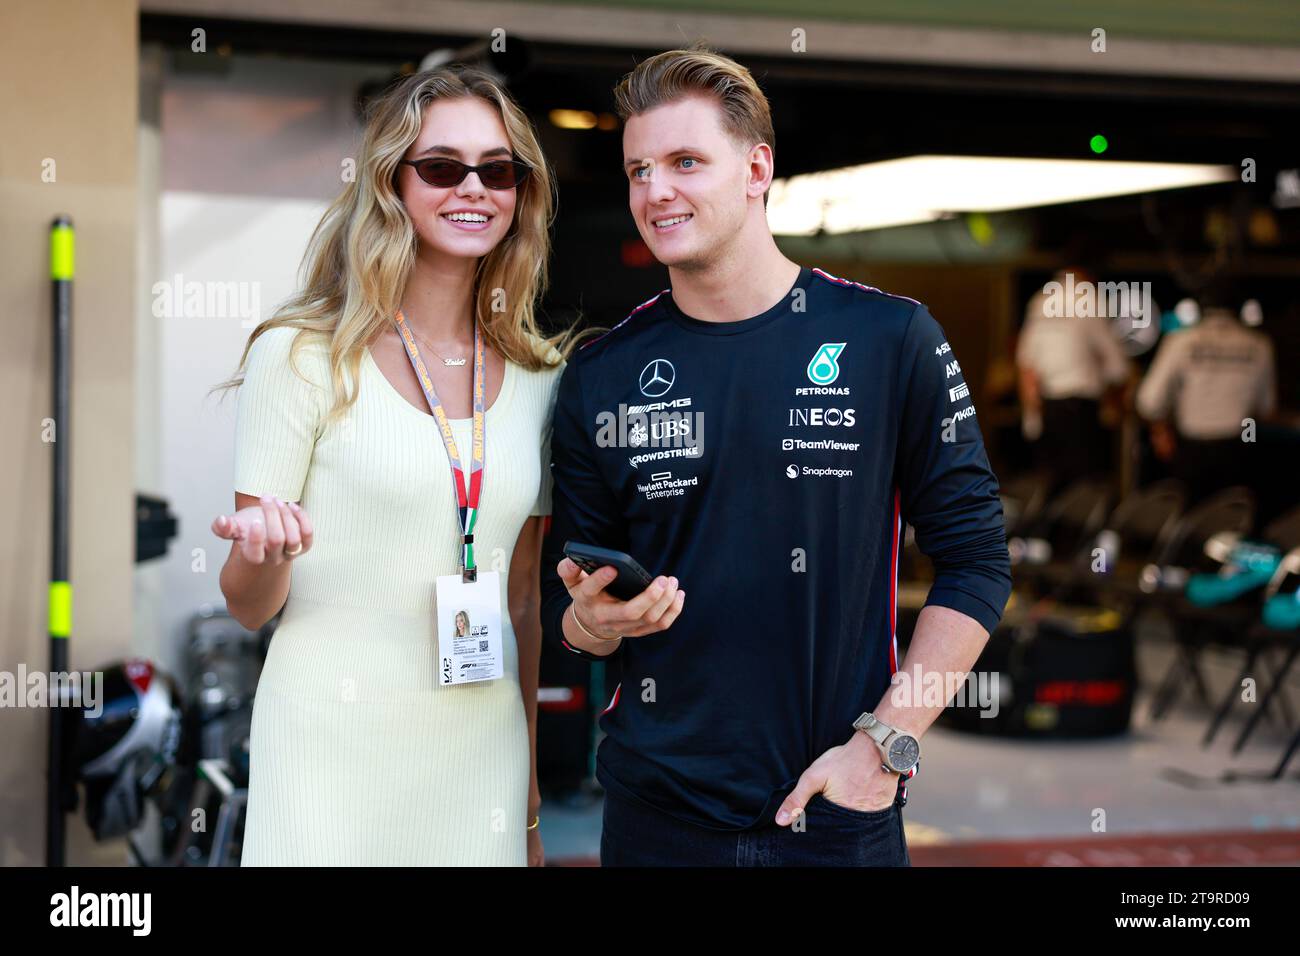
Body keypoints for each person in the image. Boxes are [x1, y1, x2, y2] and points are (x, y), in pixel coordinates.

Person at [539, 46, 1012, 867]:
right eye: (638, 170)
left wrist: (886, 747)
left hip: (836, 812)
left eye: (686, 161)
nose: (656, 192)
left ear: (757, 167)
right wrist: (591, 622)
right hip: (657, 819)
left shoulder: (889, 339)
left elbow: (978, 564)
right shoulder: (602, 372)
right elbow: (580, 618)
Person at [209, 65, 575, 865]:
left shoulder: (543, 380)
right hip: (326, 750)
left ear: (521, 193)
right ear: (392, 184)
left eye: (498, 169)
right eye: (442, 167)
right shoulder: (302, 357)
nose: (472, 188)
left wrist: (531, 799)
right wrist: (262, 553)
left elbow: (522, 608)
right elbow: (247, 606)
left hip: (480, 752)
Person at [1136, 298, 1276, 503]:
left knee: (1192, 525)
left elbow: (1149, 401)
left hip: (1191, 451)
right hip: (1239, 448)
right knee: (1232, 523)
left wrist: (1160, 430)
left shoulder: (1181, 340)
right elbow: (1266, 408)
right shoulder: (1259, 344)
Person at [1016, 267, 1131, 491]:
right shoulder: (1089, 298)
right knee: (1085, 492)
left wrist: (1031, 417)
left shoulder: (1040, 300)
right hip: (1081, 411)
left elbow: (1026, 366)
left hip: (1047, 408)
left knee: (1051, 488)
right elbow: (1117, 366)